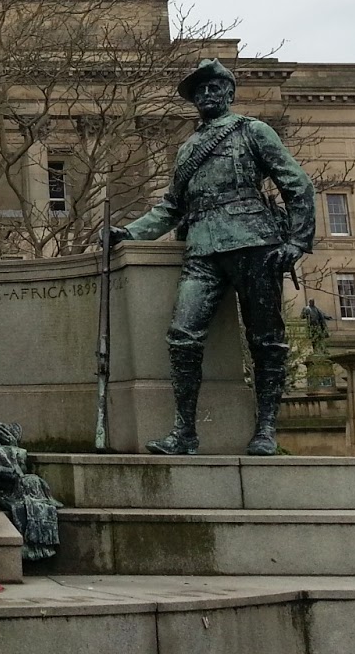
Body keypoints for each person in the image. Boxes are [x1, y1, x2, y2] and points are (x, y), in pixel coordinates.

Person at [109, 59, 315, 456]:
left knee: (267, 340)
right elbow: (171, 207)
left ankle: (266, 429)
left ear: (229, 92)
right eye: (198, 90)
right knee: (182, 337)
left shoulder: (252, 131)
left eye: (213, 87)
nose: (206, 94)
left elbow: (298, 185)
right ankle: (184, 433)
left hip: (255, 243)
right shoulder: (188, 148)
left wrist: (297, 242)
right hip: (202, 248)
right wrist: (130, 233)